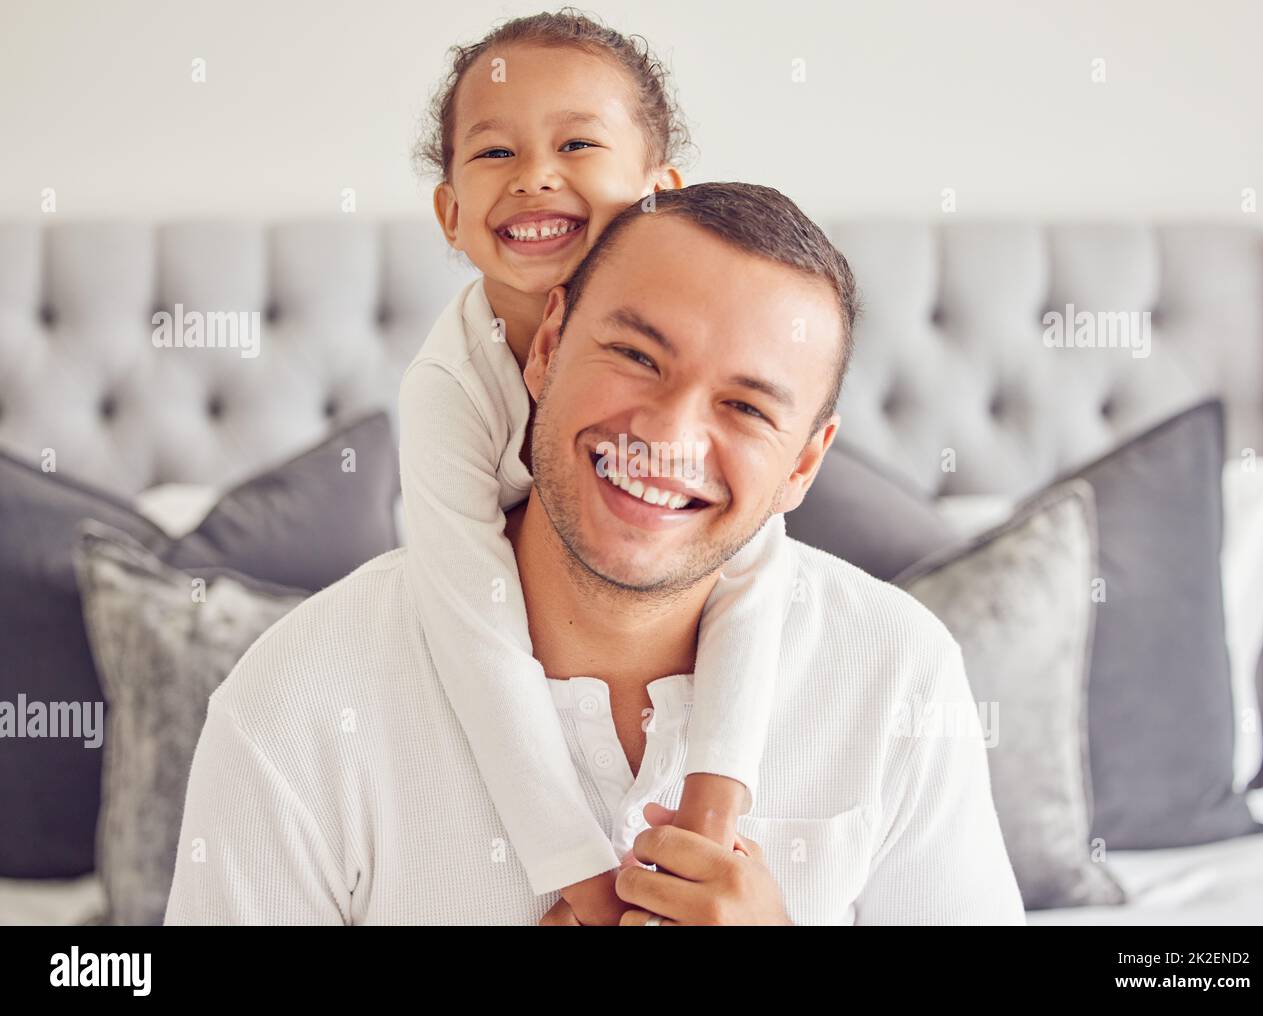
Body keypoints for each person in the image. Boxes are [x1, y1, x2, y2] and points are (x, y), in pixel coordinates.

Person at [164, 181, 1025, 925]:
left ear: (803, 463)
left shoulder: (901, 673)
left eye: (748, 408)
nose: (670, 436)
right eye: (635, 356)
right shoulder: (293, 704)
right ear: (546, 349)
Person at [400, 9, 795, 921]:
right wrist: (590, 887)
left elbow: (755, 572)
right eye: (494, 153)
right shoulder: (447, 389)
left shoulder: (714, 356)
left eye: (577, 142)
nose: (535, 174)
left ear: (659, 194)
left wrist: (708, 819)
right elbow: (477, 635)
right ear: (451, 212)